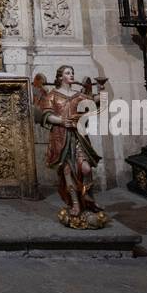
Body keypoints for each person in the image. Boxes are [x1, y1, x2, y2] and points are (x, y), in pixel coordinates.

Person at [32, 66, 108, 227]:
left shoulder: (79, 96)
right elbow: (45, 115)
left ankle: (88, 198)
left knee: (86, 169)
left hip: (79, 136)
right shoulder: (52, 95)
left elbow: (99, 105)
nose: (71, 75)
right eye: (67, 73)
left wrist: (102, 88)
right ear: (60, 77)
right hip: (61, 138)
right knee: (67, 171)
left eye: (72, 72)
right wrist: (61, 121)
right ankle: (75, 203)